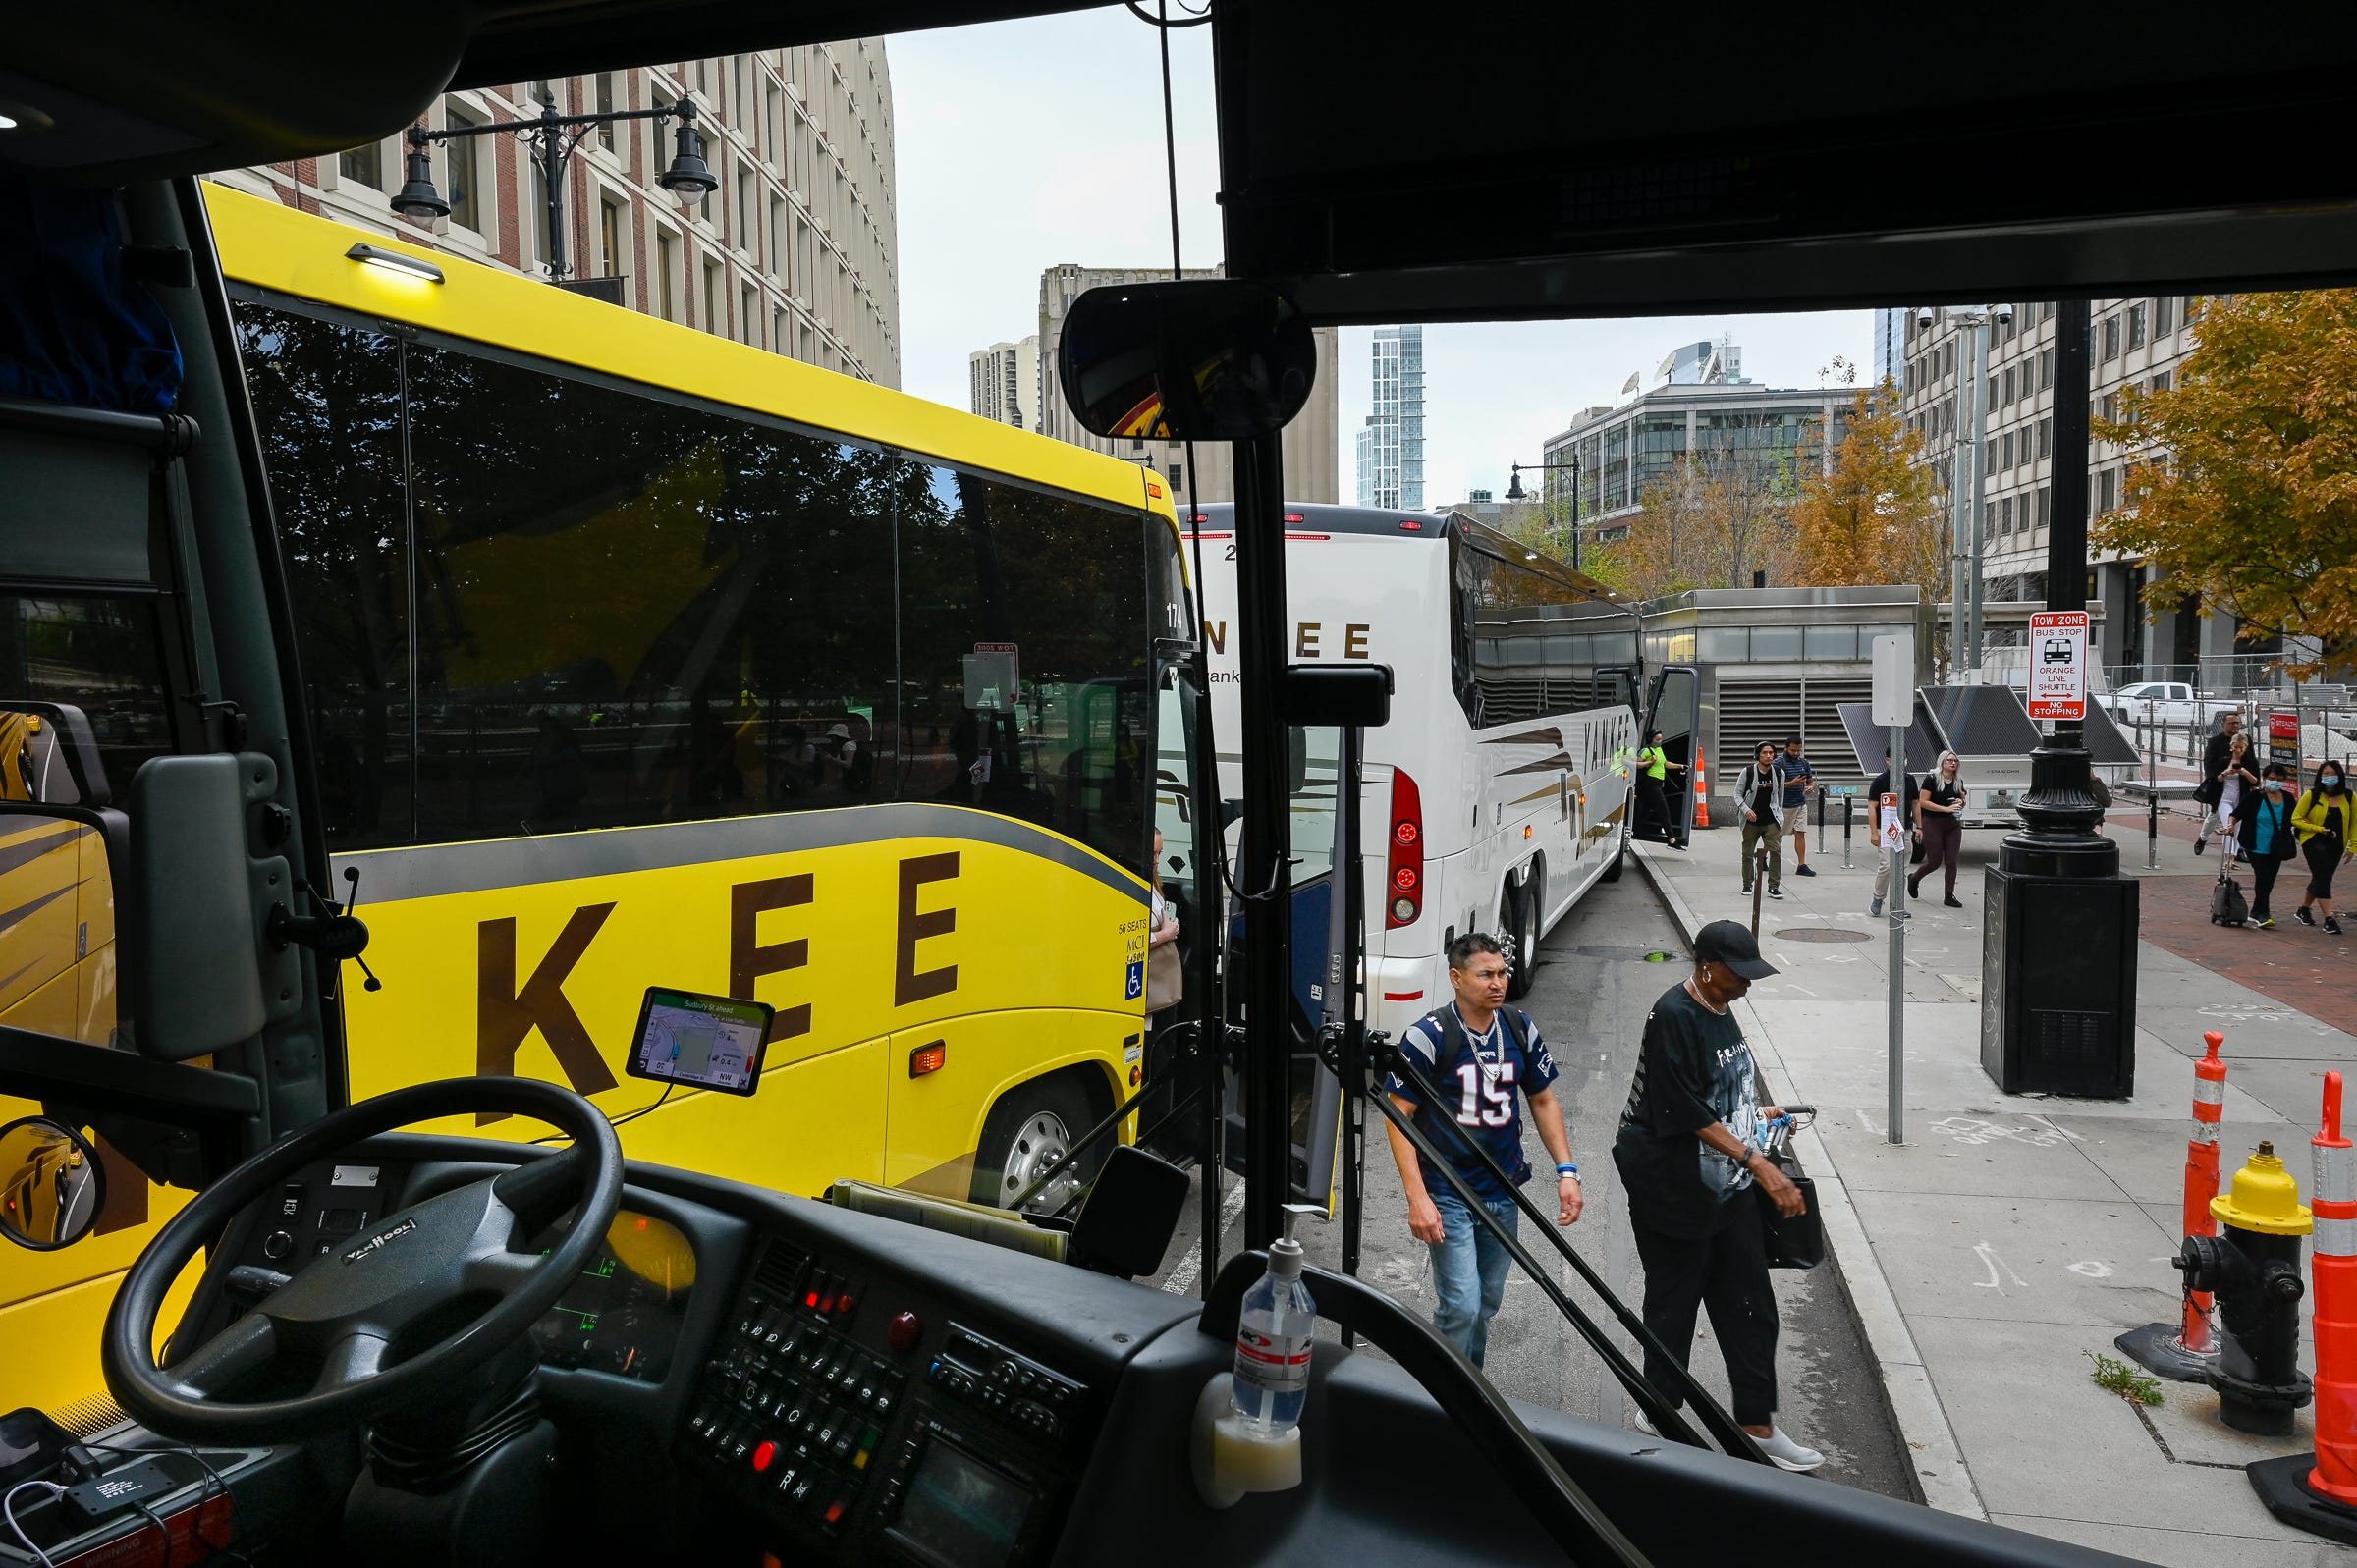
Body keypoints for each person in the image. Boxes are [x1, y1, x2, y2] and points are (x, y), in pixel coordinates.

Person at [1613, 920, 1820, 1472]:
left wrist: (1760, 1117)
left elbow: (1724, 1091)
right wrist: (1757, 1161)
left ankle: (1758, 1426)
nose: (1749, 983)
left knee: (1751, 1306)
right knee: (1674, 1306)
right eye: (1740, 973)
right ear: (1707, 965)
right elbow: (1680, 1108)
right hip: (1673, 1190)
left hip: (1728, 1189)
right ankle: (1660, 1414)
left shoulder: (1723, 1011)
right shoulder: (1673, 1017)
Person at [1383, 933, 1583, 1369]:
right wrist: (1418, 1198)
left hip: (1503, 1189)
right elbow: (1397, 1117)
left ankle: (1467, 1385)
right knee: (1461, 1305)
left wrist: (1567, 1171)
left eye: (1502, 973)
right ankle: (1448, 1399)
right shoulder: (1428, 1035)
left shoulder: (1518, 1026)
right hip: (1447, 1189)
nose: (1498, 983)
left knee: (1486, 1302)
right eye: (1485, 974)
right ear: (1456, 978)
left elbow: (1543, 1100)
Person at [2291, 761, 2352, 937]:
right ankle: (2329, 919)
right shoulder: (2312, 795)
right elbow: (2296, 818)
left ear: (2340, 775)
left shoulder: (2349, 797)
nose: (2329, 777)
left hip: (2337, 843)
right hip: (2313, 840)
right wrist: (2318, 829)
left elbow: (2355, 823)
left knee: (2321, 876)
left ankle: (2303, 909)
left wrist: (2353, 847)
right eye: (2325, 773)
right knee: (2323, 876)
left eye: (2332, 773)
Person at [2235, 762, 2300, 929]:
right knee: (2263, 877)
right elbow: (2236, 814)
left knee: (2268, 881)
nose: (2275, 782)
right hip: (2255, 845)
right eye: (2272, 778)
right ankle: (2264, 914)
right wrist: (2229, 825)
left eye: (2279, 779)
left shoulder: (2287, 798)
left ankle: (2256, 911)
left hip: (2277, 847)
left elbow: (2296, 819)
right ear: (2264, 779)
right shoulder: (2254, 797)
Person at [1864, 745, 1921, 918]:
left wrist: (1920, 826)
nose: (1901, 761)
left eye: (1903, 757)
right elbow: (1872, 806)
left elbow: (1915, 804)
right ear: (1887, 760)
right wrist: (1874, 832)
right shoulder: (1880, 781)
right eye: (1895, 757)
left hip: (1905, 830)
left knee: (1901, 869)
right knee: (1887, 866)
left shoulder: (1910, 780)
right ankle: (1878, 898)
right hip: (1885, 829)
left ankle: (1898, 904)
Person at [1909, 750, 1967, 908]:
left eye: (1955, 761)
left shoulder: (1958, 780)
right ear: (1942, 762)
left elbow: (1962, 800)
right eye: (1950, 760)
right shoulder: (1932, 779)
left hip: (1953, 825)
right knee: (1934, 862)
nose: (1953, 763)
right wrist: (1945, 809)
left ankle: (1949, 895)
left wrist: (1960, 802)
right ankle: (1914, 878)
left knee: (1951, 861)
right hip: (1933, 823)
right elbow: (1923, 802)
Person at [1731, 742, 1786, 900]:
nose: (1768, 756)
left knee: (1776, 851)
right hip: (1751, 820)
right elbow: (1737, 794)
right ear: (1758, 755)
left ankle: (1774, 886)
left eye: (1771, 753)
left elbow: (1779, 795)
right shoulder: (1748, 772)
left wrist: (1779, 815)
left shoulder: (1778, 773)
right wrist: (1746, 810)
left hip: (1771, 819)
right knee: (1748, 852)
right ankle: (1747, 883)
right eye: (1764, 753)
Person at [2194, 711, 2246, 855]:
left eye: (2237, 722)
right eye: (2232, 723)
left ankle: (2237, 850)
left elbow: (2251, 761)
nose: (2235, 725)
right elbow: (2209, 763)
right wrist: (2215, 777)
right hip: (2222, 785)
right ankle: (2202, 838)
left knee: (2239, 817)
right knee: (2215, 815)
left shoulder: (2245, 740)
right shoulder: (2215, 741)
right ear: (2224, 724)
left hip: (2240, 785)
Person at [2210, 733, 2259, 870]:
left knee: (2238, 829)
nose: (2238, 751)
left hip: (2241, 800)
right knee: (2228, 826)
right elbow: (2215, 780)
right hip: (2225, 798)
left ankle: (2231, 858)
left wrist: (2245, 773)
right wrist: (2226, 773)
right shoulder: (2223, 761)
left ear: (2246, 748)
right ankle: (2227, 858)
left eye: (2241, 748)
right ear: (2231, 747)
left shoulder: (2251, 762)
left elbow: (2256, 783)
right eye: (2236, 747)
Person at [1635, 731, 1687, 849]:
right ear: (1650, 739)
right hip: (1650, 783)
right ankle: (1672, 840)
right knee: (1663, 810)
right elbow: (1636, 764)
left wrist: (1680, 766)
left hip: (1658, 783)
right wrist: (1650, 762)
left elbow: (1665, 763)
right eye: (1657, 739)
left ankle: (1636, 830)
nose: (1659, 742)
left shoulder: (1659, 750)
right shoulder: (1646, 751)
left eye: (1660, 739)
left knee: (1647, 810)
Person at [1780, 735, 1817, 877]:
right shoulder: (1779, 763)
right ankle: (1763, 856)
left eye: (1798, 750)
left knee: (1800, 833)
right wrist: (1791, 784)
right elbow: (1773, 785)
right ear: (1786, 748)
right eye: (1793, 750)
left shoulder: (1804, 762)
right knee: (1776, 836)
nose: (1796, 753)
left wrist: (1810, 787)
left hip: (1800, 804)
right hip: (1784, 806)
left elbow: (1811, 780)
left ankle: (1801, 865)